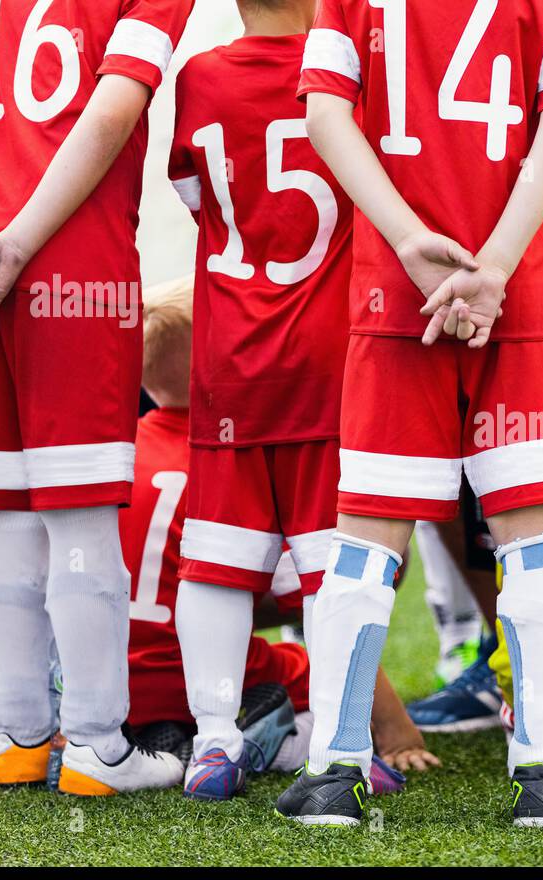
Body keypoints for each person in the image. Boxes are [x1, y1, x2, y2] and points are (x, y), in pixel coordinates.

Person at [283, 0, 543, 828]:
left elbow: (327, 114)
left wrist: (405, 241)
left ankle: (333, 770)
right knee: (532, 534)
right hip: (524, 286)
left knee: (366, 537)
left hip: (396, 288)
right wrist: (498, 264)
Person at [0, 0, 195, 796]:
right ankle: (99, 745)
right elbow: (111, 109)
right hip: (69, 259)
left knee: (10, 510)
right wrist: (27, 242)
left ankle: (18, 735)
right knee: (79, 512)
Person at [123, 276, 439, 794]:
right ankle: (279, 745)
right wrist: (398, 730)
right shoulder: (229, 462)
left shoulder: (122, 448)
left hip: (112, 685)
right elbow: (319, 596)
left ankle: (147, 738)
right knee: (318, 644)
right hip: (201, 676)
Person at [164, 0, 357, 800]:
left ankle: (213, 739)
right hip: (328, 356)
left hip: (230, 354)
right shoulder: (352, 71)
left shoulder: (201, 76)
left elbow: (193, 192)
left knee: (216, 557)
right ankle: (341, 746)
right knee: (333, 562)